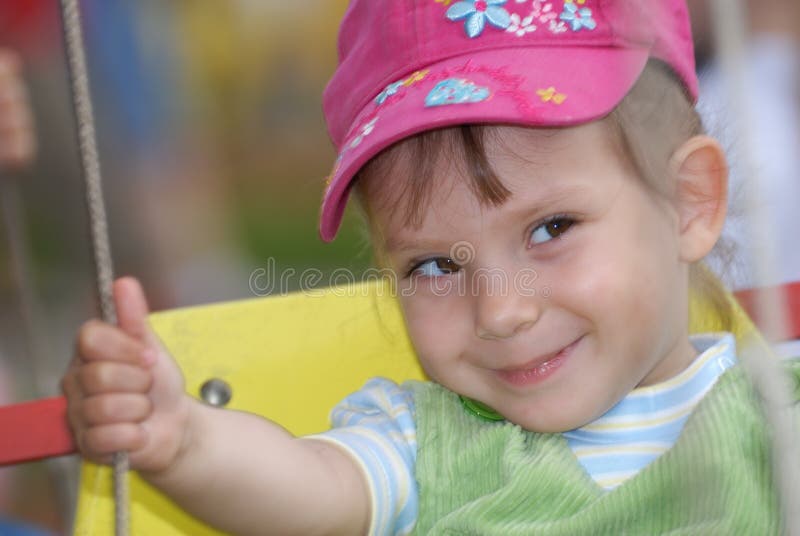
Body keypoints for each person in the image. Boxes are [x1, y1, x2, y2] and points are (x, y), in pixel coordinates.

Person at [61, 1, 797, 534]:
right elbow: (306, 487)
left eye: (550, 228)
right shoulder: (424, 447)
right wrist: (185, 440)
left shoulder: (778, 419)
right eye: (436, 265)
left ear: (690, 203)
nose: (501, 313)